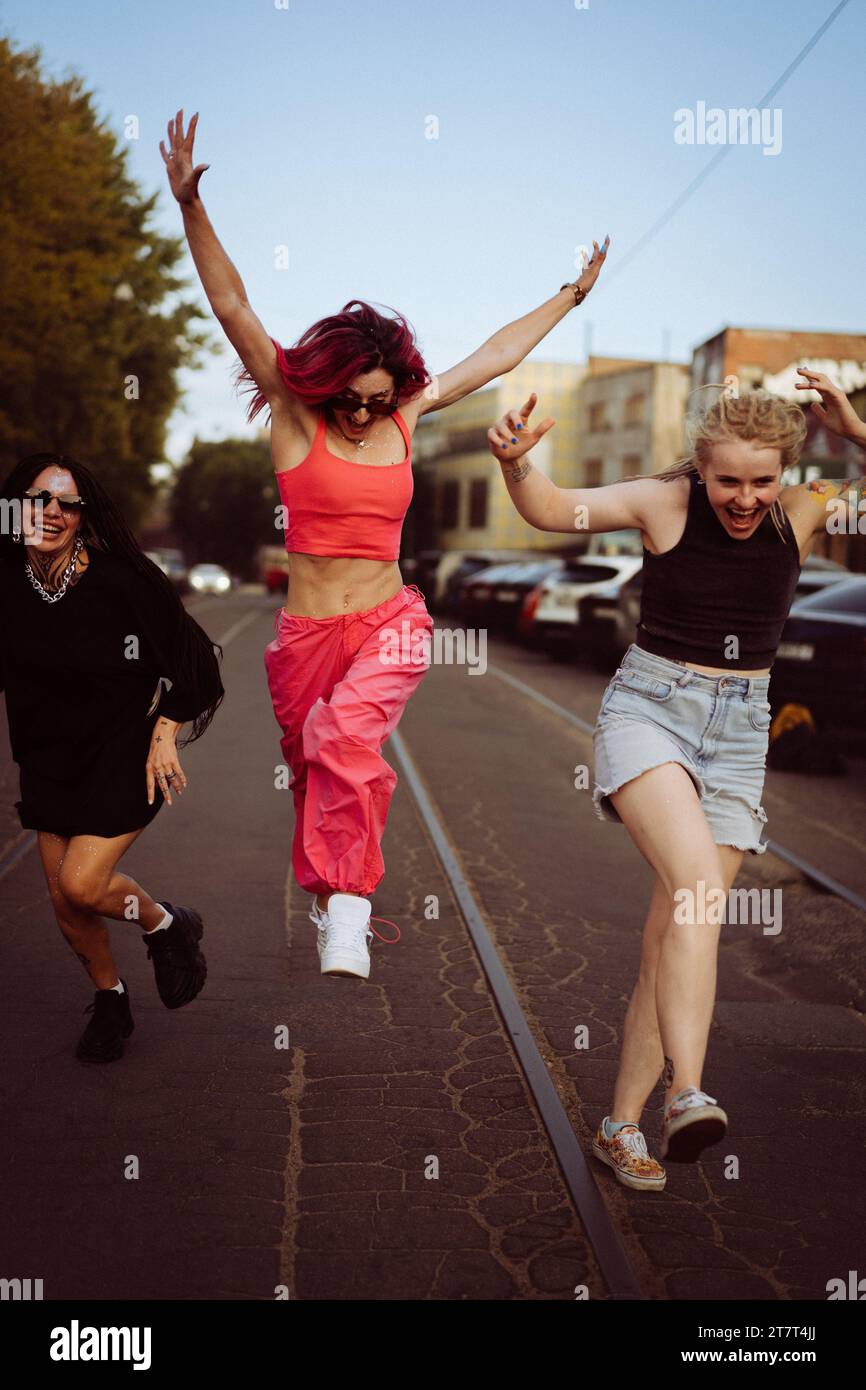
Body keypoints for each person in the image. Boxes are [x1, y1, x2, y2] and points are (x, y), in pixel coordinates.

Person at [160, 106, 609, 978]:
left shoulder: (405, 413)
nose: (365, 411)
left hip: (389, 621)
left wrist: (571, 294)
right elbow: (231, 304)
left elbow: (492, 354)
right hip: (303, 640)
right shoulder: (296, 415)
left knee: (344, 741)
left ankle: (352, 907)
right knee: (316, 770)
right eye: (352, 397)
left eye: (377, 395)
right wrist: (190, 206)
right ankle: (336, 897)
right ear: (325, 382)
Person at [488, 369, 866, 1190]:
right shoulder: (665, 502)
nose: (743, 498)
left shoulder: (802, 509)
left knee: (672, 939)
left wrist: (857, 431)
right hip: (651, 709)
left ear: (785, 473)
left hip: (739, 732)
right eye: (728, 479)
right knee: (698, 891)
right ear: (700, 468)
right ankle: (686, 1092)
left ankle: (619, 1125)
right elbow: (555, 509)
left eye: (762, 481)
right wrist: (518, 464)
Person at [0, 453, 224, 1062]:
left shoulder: (122, 580)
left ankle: (165, 925)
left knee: (82, 882)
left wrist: (165, 731)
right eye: (37, 499)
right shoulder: (5, 579)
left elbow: (197, 663)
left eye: (65, 504)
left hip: (123, 753)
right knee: (64, 901)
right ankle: (111, 999)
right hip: (47, 758)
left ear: (81, 516)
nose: (49, 513)